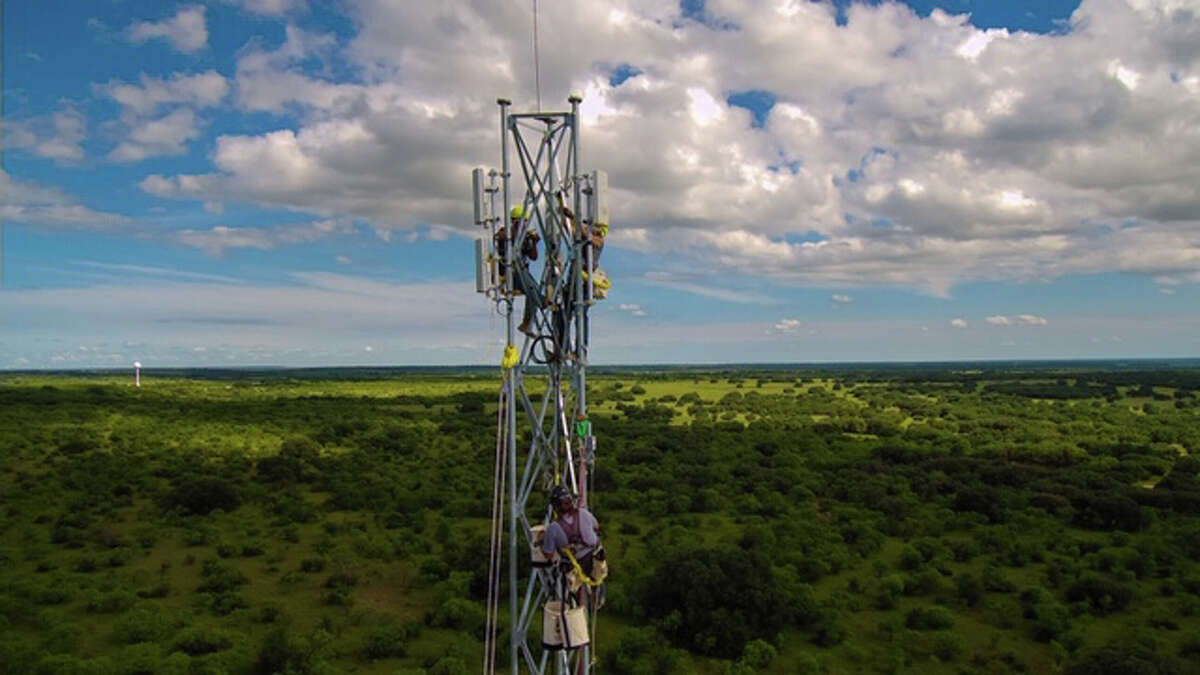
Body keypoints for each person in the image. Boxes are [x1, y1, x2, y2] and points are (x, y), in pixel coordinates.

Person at [494, 205, 541, 335]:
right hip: (509, 274)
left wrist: (534, 243)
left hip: (523, 273)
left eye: (525, 222)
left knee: (534, 291)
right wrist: (517, 232)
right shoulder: (505, 234)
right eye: (521, 222)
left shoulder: (525, 237)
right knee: (534, 292)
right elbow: (501, 237)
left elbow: (534, 257)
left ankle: (527, 323)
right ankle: (542, 301)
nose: (524, 225)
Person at [542, 486, 604, 579]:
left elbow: (548, 554)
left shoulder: (552, 528)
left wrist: (544, 540)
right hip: (598, 559)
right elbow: (597, 527)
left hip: (578, 567)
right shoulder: (584, 513)